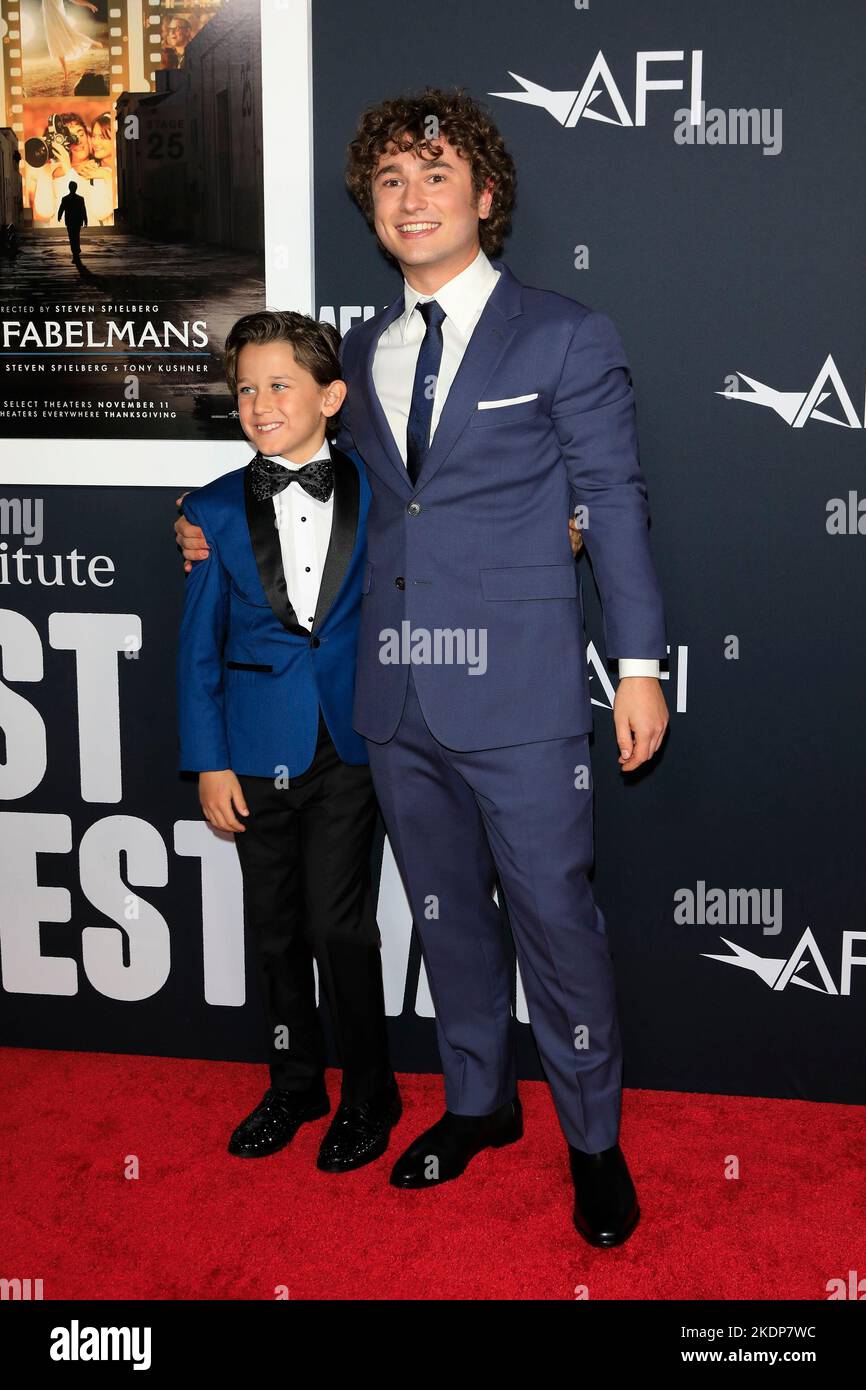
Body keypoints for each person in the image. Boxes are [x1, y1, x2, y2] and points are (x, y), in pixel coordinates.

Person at [176, 87, 669, 1248]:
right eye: (389, 180)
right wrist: (200, 520)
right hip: (390, 695)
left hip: (523, 691)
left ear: (484, 198)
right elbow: (316, 481)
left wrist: (638, 662)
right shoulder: (361, 351)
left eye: (434, 176)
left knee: (554, 919)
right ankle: (479, 1104)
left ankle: (592, 1143)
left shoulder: (561, 333)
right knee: (446, 919)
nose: (410, 197)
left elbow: (614, 503)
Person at [176, 309, 401, 1172]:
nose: (261, 404)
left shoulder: (381, 489)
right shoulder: (210, 511)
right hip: (252, 747)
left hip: (349, 745)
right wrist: (208, 761)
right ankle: (294, 1084)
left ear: (331, 396)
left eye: (280, 386)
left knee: (341, 929)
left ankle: (370, 1092)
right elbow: (198, 648)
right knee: (275, 930)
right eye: (245, 389)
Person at [57, 178, 86, 259]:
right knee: (76, 235)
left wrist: (59, 216)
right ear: (76, 188)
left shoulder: (65, 198)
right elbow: (83, 210)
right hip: (77, 221)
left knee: (71, 236)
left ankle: (74, 251)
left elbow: (61, 208)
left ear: (69, 188)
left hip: (69, 221)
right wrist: (85, 220)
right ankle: (76, 250)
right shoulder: (80, 199)